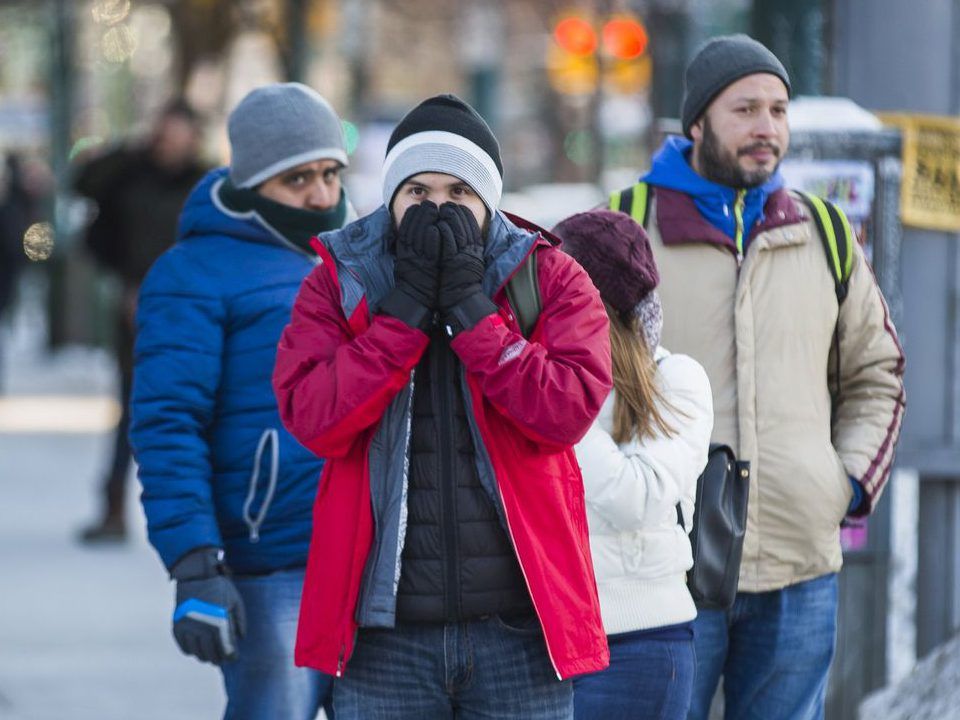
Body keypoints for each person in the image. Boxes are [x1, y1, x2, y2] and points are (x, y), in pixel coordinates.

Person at [272, 94, 612, 719]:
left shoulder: (551, 277)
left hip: (520, 631)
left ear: (488, 201)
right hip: (384, 640)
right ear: (392, 199)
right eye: (419, 192)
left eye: (459, 193)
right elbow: (313, 417)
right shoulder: (340, 280)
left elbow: (565, 411)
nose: (438, 209)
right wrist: (399, 317)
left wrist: (470, 311)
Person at [609, 35, 906, 720]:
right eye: (744, 109)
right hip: (662, 567)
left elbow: (877, 372)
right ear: (696, 124)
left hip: (798, 566)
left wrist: (845, 482)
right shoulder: (626, 225)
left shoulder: (823, 231)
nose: (766, 127)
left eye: (777, 109)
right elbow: (575, 384)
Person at [129, 83, 352, 720]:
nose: (320, 195)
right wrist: (195, 561)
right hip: (266, 564)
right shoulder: (193, 273)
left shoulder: (358, 259)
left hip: (364, 556)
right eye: (297, 178)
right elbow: (168, 424)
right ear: (253, 181)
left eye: (330, 173)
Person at [551, 209, 713, 720]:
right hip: (545, 640)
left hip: (640, 643)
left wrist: (554, 399)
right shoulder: (543, 373)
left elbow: (637, 497)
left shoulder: (676, 380)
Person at [75, 99, 208, 542]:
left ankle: (197, 514)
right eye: (164, 134)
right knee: (134, 406)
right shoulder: (130, 175)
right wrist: (122, 283)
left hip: (192, 313)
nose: (172, 144)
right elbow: (85, 185)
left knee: (195, 409)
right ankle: (113, 506)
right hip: (135, 310)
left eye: (180, 134)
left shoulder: (204, 184)